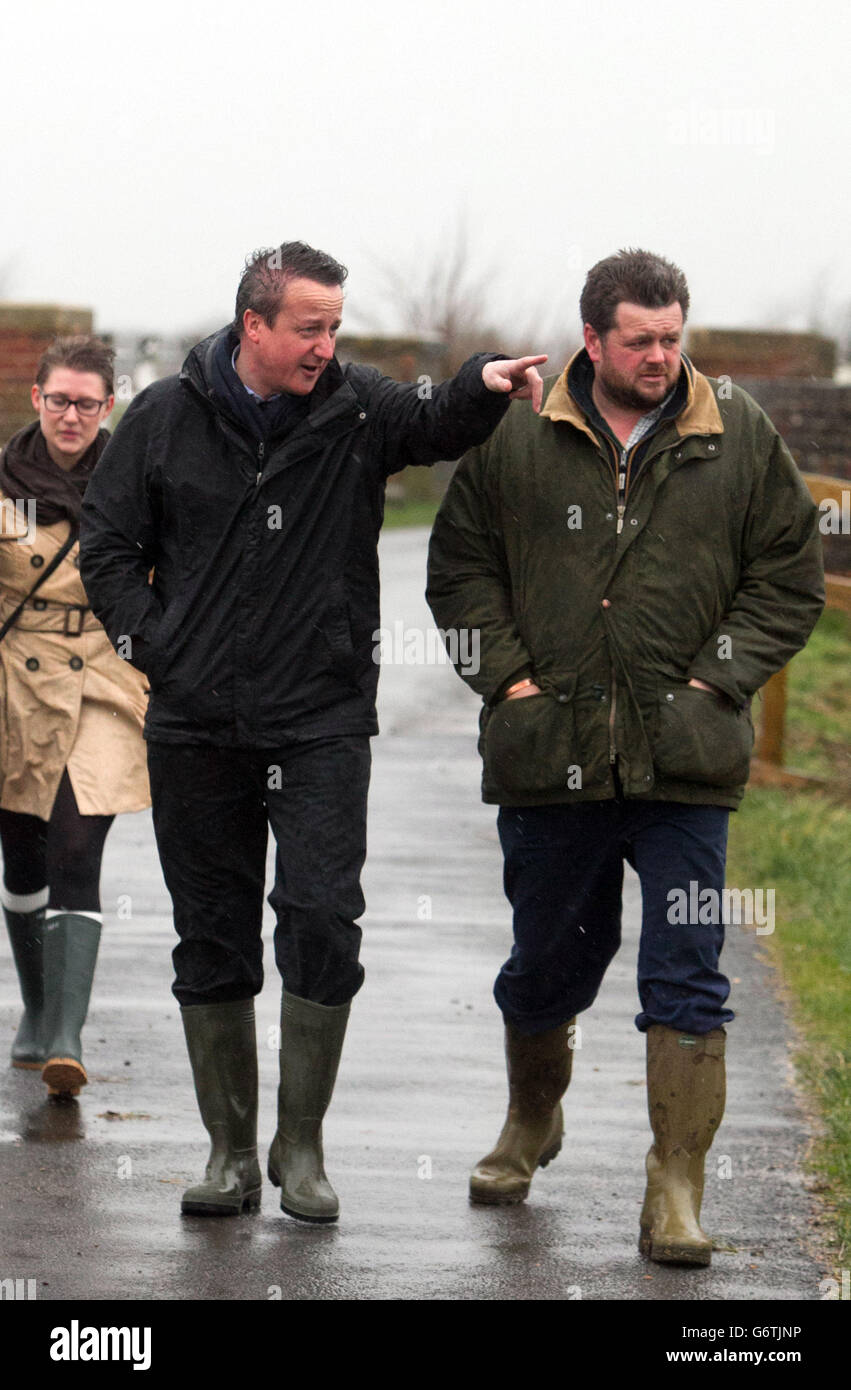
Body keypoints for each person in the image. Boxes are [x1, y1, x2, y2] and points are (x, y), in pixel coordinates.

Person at [79, 240, 545, 1222]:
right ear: (253, 324)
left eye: (334, 326)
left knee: (323, 916)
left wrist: (483, 384)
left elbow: (431, 419)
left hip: (320, 715)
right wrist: (152, 642)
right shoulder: (164, 416)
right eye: (307, 326)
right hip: (195, 721)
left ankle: (301, 1145)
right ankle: (227, 1154)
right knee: (211, 933)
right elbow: (107, 543)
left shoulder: (350, 407)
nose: (324, 345)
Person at [426, 248, 825, 1266]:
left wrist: (713, 680)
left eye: (671, 336)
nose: (659, 355)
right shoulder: (513, 433)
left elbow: (787, 572)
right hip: (548, 752)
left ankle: (675, 1186)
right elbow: (459, 569)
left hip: (683, 762)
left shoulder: (733, 433)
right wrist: (509, 682)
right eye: (639, 339)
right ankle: (529, 1122)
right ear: (591, 339)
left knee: (686, 970)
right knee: (547, 961)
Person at [0, 335, 150, 1098]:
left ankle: (66, 1034)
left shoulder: (135, 481)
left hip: (102, 676)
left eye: (86, 402)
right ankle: (35, 1008)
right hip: (14, 684)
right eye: (58, 399)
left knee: (74, 842)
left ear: (107, 406)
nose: (70, 414)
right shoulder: (2, 481)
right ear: (37, 398)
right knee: (21, 852)